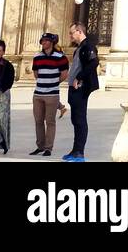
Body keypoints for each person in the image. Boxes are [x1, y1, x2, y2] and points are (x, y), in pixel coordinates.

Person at [63, 22, 99, 162]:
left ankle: (80, 153)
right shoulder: (80, 48)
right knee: (75, 120)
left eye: (72, 33)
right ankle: (75, 150)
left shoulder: (88, 46)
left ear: (79, 31)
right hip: (74, 88)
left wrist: (79, 78)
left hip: (81, 88)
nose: (70, 36)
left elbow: (94, 63)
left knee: (80, 119)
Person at [30, 33, 69, 156]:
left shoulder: (60, 57)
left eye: (46, 41)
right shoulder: (37, 57)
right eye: (43, 41)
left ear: (52, 43)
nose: (44, 43)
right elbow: (36, 74)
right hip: (38, 94)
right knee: (38, 121)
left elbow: (64, 74)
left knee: (50, 121)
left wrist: (53, 82)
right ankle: (40, 146)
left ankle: (48, 148)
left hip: (52, 94)